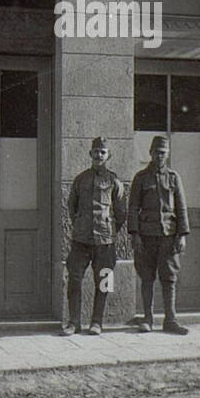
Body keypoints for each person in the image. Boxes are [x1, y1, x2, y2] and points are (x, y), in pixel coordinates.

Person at [127, 135, 191, 335]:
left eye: (163, 153)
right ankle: (147, 318)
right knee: (147, 276)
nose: (159, 156)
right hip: (146, 236)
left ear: (168, 154)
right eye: (156, 152)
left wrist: (182, 234)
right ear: (150, 153)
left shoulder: (173, 177)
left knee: (169, 277)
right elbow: (133, 208)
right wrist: (134, 234)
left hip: (168, 236)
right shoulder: (140, 178)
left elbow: (181, 207)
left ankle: (170, 320)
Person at [63, 136, 127, 336]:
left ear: (109, 156)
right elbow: (71, 207)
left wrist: (110, 229)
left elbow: (121, 211)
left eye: (103, 152)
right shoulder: (80, 179)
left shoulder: (114, 181)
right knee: (74, 278)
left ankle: (97, 322)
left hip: (105, 241)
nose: (99, 155)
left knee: (104, 280)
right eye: (96, 152)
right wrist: (81, 224)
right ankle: (74, 322)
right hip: (81, 240)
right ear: (90, 154)